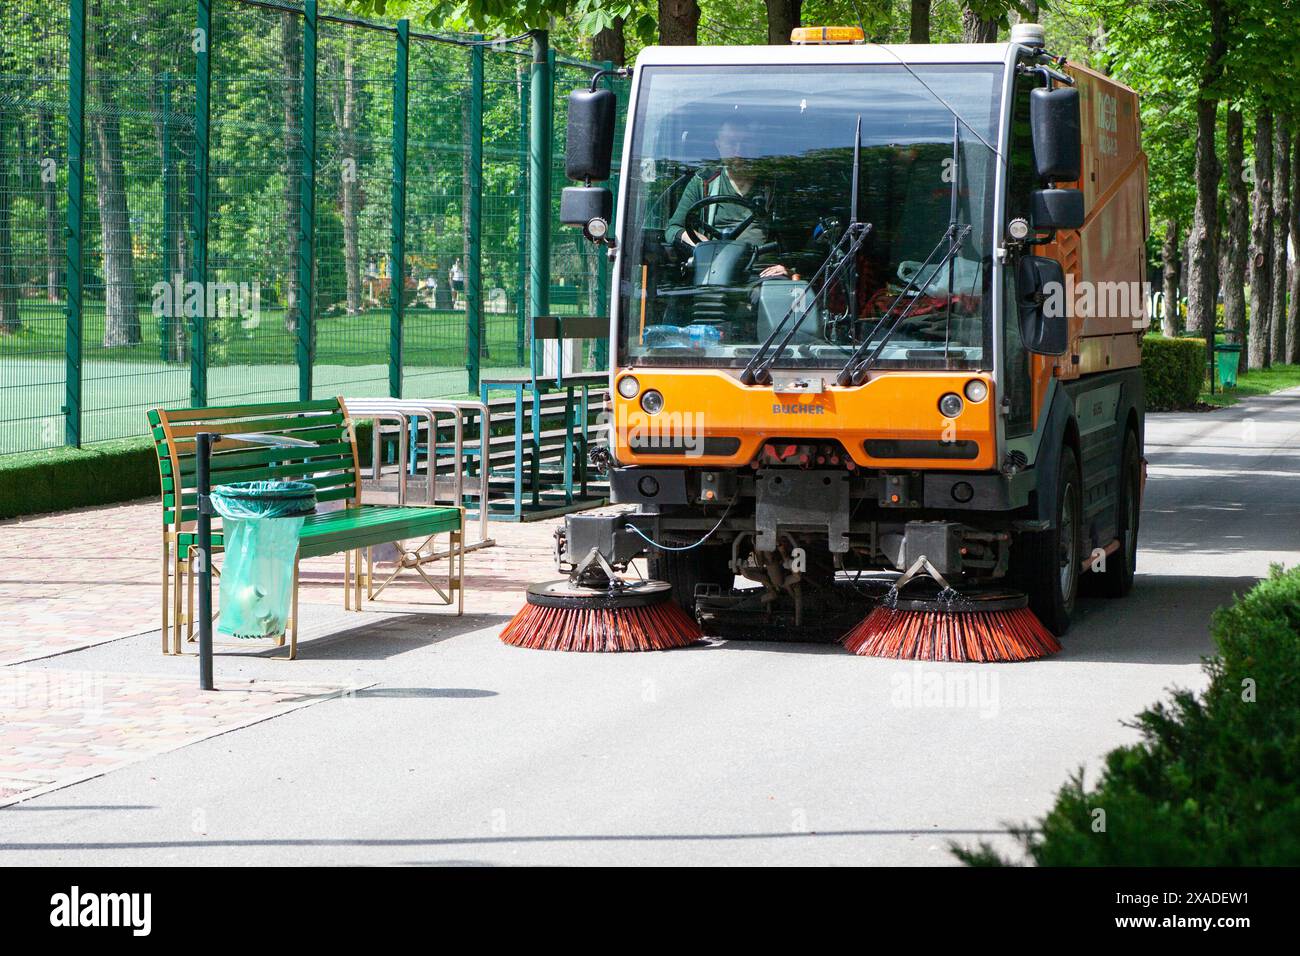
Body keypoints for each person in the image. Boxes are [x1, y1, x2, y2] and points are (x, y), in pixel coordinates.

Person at [665, 118, 788, 280]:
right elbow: (673, 228)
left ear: (756, 145)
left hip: (763, 273)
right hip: (713, 269)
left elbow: (797, 240)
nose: (738, 152)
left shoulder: (773, 186)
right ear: (719, 145)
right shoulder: (703, 182)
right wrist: (702, 245)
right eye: (731, 143)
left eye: (745, 143)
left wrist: (787, 266)